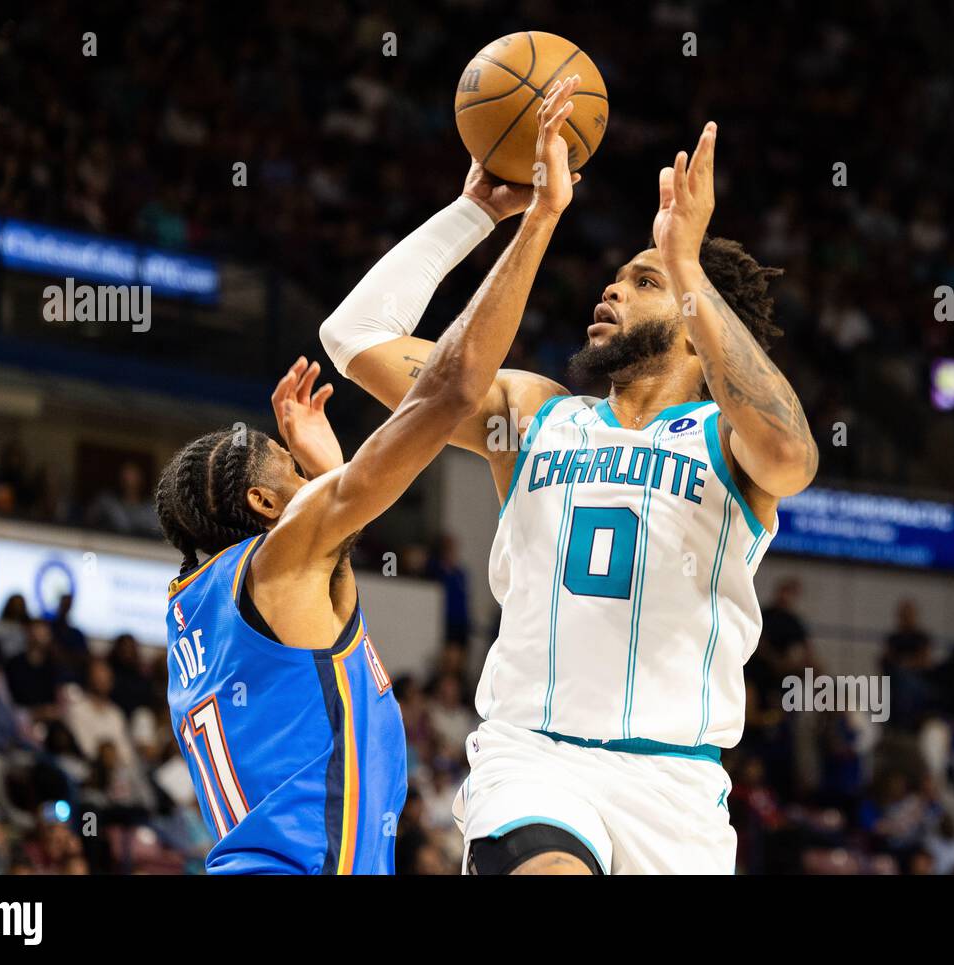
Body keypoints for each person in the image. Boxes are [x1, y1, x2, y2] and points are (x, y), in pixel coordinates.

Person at [324, 120, 817, 874]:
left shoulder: (729, 440)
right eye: (619, 275)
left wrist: (685, 261)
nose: (613, 286)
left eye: (645, 281)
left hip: (675, 788)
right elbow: (354, 336)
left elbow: (793, 455)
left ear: (694, 322)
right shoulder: (531, 417)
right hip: (534, 760)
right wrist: (488, 215)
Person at [153, 77, 583, 875]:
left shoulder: (207, 602)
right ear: (260, 504)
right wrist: (539, 219)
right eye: (286, 468)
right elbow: (449, 390)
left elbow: (329, 559)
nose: (309, 474)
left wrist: (320, 469)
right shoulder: (276, 564)